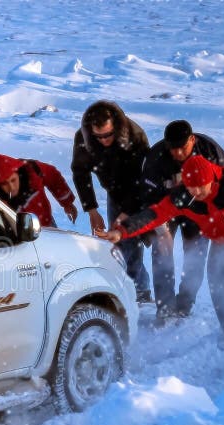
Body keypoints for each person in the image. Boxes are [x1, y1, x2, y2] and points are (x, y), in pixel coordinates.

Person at [96, 155, 224, 350]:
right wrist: (122, 231)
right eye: (191, 187)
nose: (196, 192)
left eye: (200, 187)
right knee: (217, 282)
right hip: (223, 239)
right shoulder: (184, 197)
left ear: (210, 179)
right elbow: (155, 214)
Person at [141, 120, 224, 323]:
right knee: (161, 253)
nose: (178, 154)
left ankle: (184, 305)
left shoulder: (210, 151)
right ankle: (164, 307)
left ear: (192, 139)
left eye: (183, 148)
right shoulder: (155, 159)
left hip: (199, 210)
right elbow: (148, 196)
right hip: (167, 209)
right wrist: (155, 227)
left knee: (196, 257)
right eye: (173, 149)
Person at [71, 100, 151, 302]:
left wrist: (127, 211)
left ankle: (139, 292)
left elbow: (142, 178)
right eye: (99, 137)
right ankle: (129, 288)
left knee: (130, 239)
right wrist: (91, 210)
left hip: (138, 190)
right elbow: (80, 172)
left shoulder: (135, 136)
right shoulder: (84, 137)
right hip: (113, 190)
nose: (104, 140)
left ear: (116, 126)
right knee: (116, 242)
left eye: (108, 135)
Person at [0, 153, 78, 227]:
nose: (12, 187)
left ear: (18, 173)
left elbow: (53, 176)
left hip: (46, 224)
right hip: (19, 234)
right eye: (4, 184)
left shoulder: (33, 170)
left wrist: (67, 203)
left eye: (13, 180)